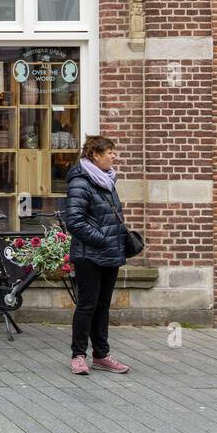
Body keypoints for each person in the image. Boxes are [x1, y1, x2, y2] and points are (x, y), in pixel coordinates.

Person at [62, 135, 132, 375]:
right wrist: (102, 240)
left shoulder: (107, 180)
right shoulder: (81, 182)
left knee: (102, 306)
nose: (114, 156)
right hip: (88, 255)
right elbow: (74, 221)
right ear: (95, 155)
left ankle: (101, 355)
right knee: (87, 305)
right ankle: (78, 355)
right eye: (110, 152)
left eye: (114, 152)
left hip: (109, 253)